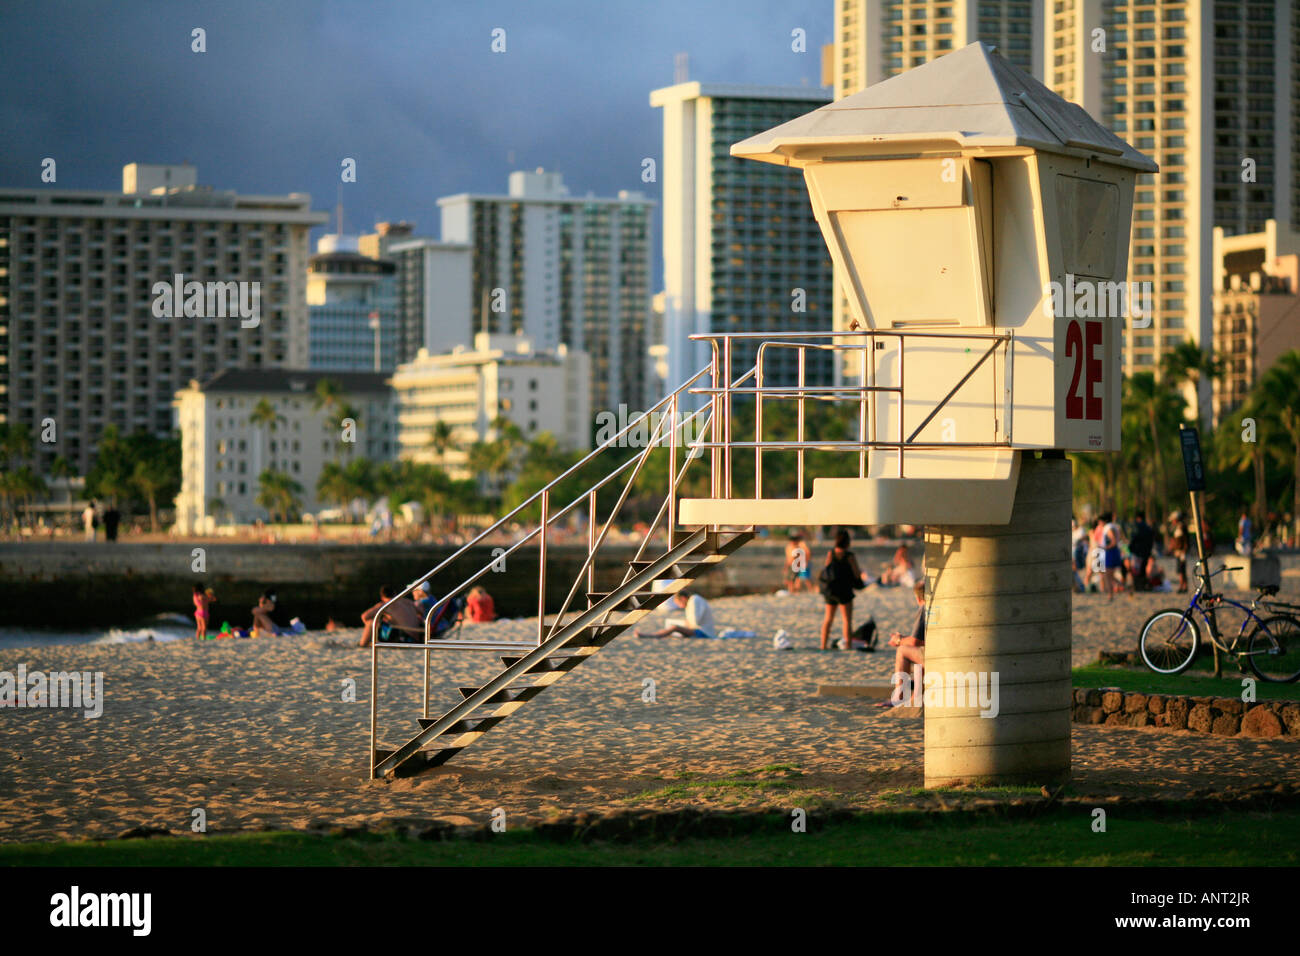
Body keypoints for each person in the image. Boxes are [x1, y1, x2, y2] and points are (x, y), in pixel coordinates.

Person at [819, 528, 865, 650]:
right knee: (847, 620)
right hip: (844, 590)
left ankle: (823, 645)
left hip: (831, 590)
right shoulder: (849, 556)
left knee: (828, 619)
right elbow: (856, 573)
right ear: (847, 541)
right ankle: (848, 645)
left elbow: (826, 570)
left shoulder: (831, 553)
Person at [883, 580, 927, 707]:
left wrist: (898, 640)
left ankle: (899, 697)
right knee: (918, 650)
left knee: (902, 650)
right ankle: (916, 696)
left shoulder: (924, 608)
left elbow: (915, 641)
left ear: (918, 598)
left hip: (934, 656)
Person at [358, 585, 425, 648]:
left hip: (405, 638)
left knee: (370, 622)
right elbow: (422, 612)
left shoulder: (386, 604)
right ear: (395, 593)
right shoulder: (407, 601)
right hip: (418, 637)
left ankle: (363, 644)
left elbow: (364, 616)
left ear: (382, 597)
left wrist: (378, 625)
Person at [634, 589, 716, 638]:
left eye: (678, 603)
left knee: (675, 627)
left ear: (683, 598)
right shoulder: (693, 600)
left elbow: (695, 622)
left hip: (704, 633)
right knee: (672, 626)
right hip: (701, 630)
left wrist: (686, 624)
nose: (680, 607)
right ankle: (659, 635)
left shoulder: (694, 600)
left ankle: (653, 636)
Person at [1127, 510, 1154, 591]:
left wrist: (1130, 548)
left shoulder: (1136, 527)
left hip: (1137, 552)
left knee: (1135, 569)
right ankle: (1142, 586)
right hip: (1146, 552)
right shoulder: (1148, 528)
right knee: (1143, 569)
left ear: (1138, 518)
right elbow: (1151, 541)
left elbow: (1133, 539)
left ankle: (1137, 586)